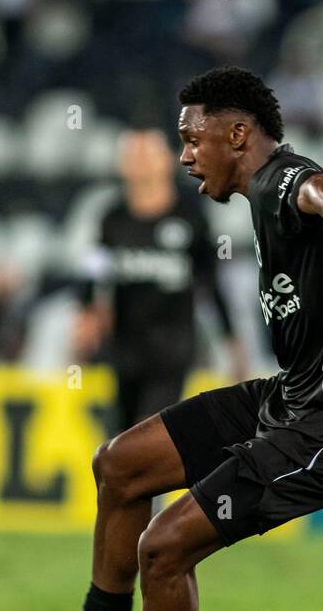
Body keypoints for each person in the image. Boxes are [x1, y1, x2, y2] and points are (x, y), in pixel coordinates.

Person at [1, 67, 323, 611]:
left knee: (165, 548)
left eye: (193, 140)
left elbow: (318, 189)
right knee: (120, 465)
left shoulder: (284, 179)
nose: (185, 154)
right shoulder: (262, 194)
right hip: (305, 399)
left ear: (238, 135)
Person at [78, 129, 244, 432]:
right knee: (122, 436)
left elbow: (211, 281)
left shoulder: (190, 216)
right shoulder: (111, 218)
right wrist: (86, 309)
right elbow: (95, 268)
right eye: (133, 154)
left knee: (149, 428)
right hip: (126, 348)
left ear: (166, 160)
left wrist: (230, 339)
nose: (139, 161)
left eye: (147, 153)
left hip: (173, 348)